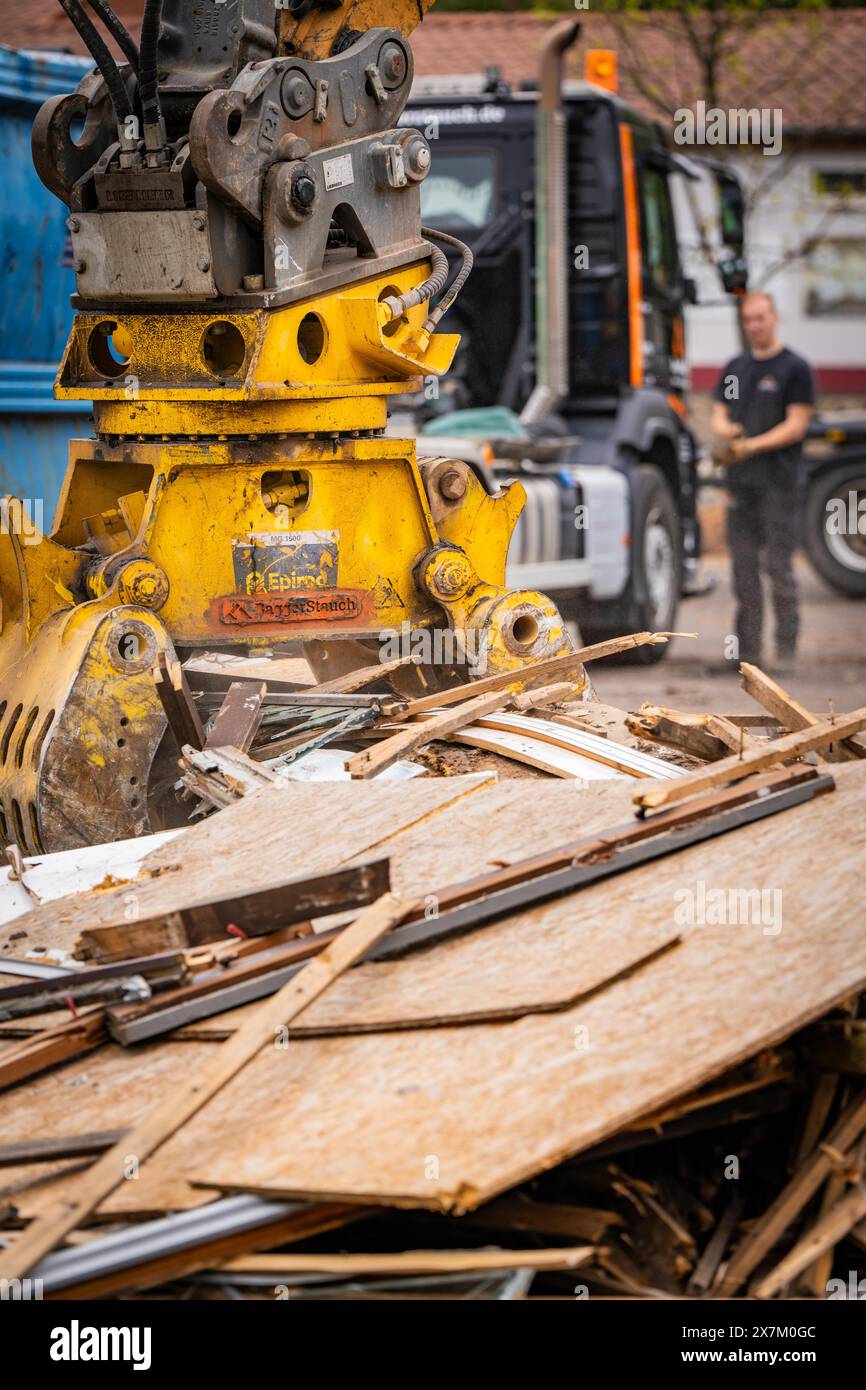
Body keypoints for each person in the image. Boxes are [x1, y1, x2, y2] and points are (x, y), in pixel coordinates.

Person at [711, 291, 815, 673]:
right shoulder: (736, 367)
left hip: (780, 484)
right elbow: (719, 414)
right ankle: (746, 656)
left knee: (779, 568)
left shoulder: (795, 368)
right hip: (741, 485)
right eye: (748, 320)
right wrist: (730, 434)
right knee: (743, 570)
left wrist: (750, 446)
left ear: (774, 317)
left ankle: (786, 653)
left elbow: (796, 425)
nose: (754, 325)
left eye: (760, 318)